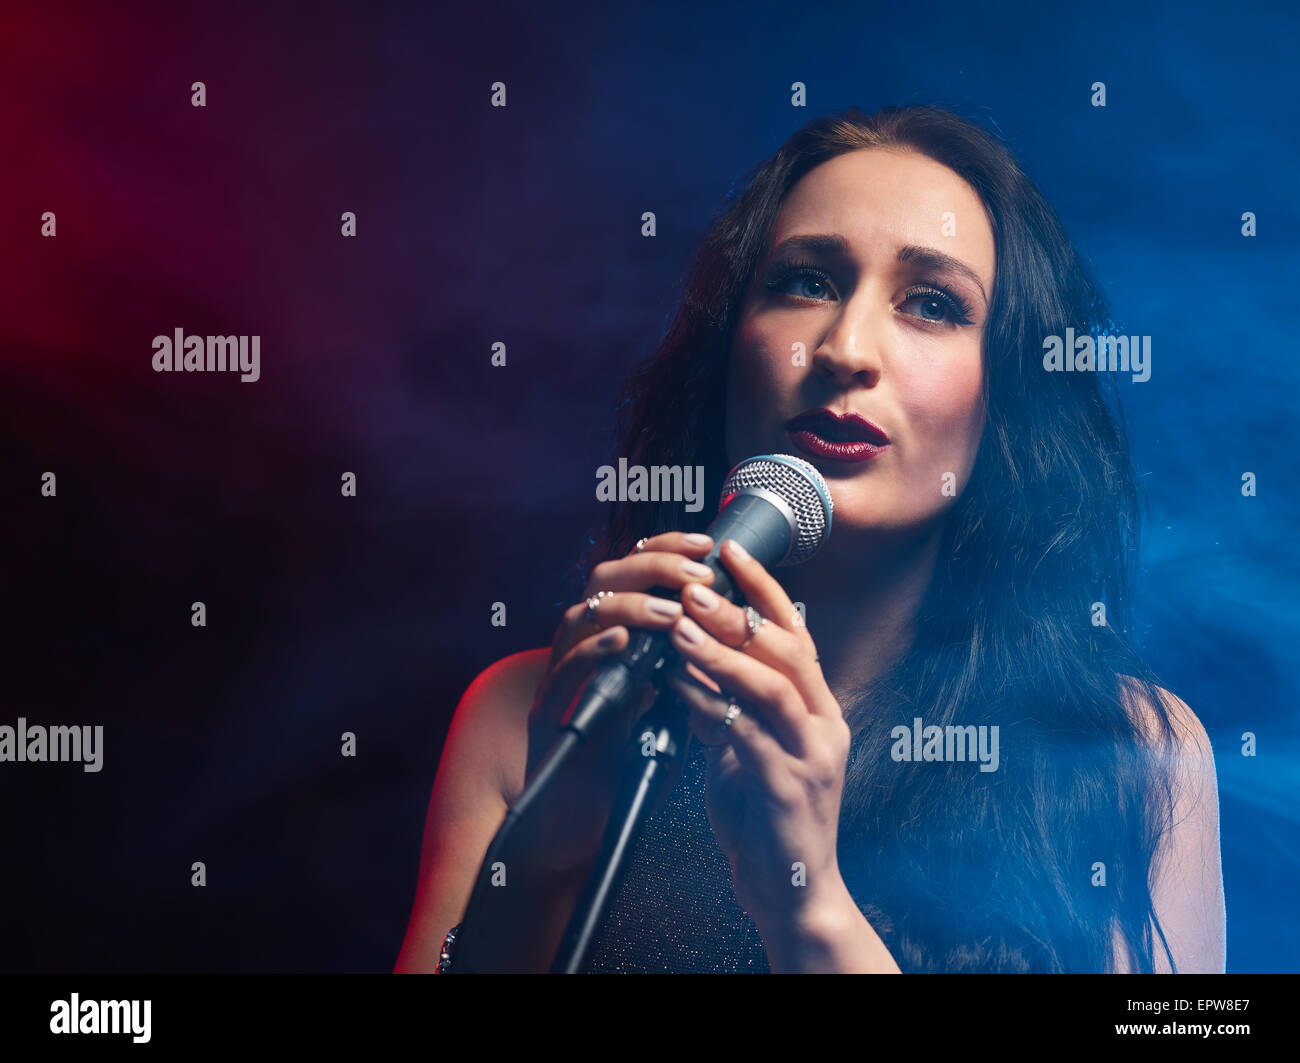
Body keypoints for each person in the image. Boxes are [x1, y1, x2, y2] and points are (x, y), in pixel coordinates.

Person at [394, 104, 1226, 974]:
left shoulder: (1134, 751)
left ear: (1006, 395)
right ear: (730, 346)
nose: (845, 347)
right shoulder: (525, 714)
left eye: (933, 303)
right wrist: (548, 848)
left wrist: (810, 906)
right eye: (806, 282)